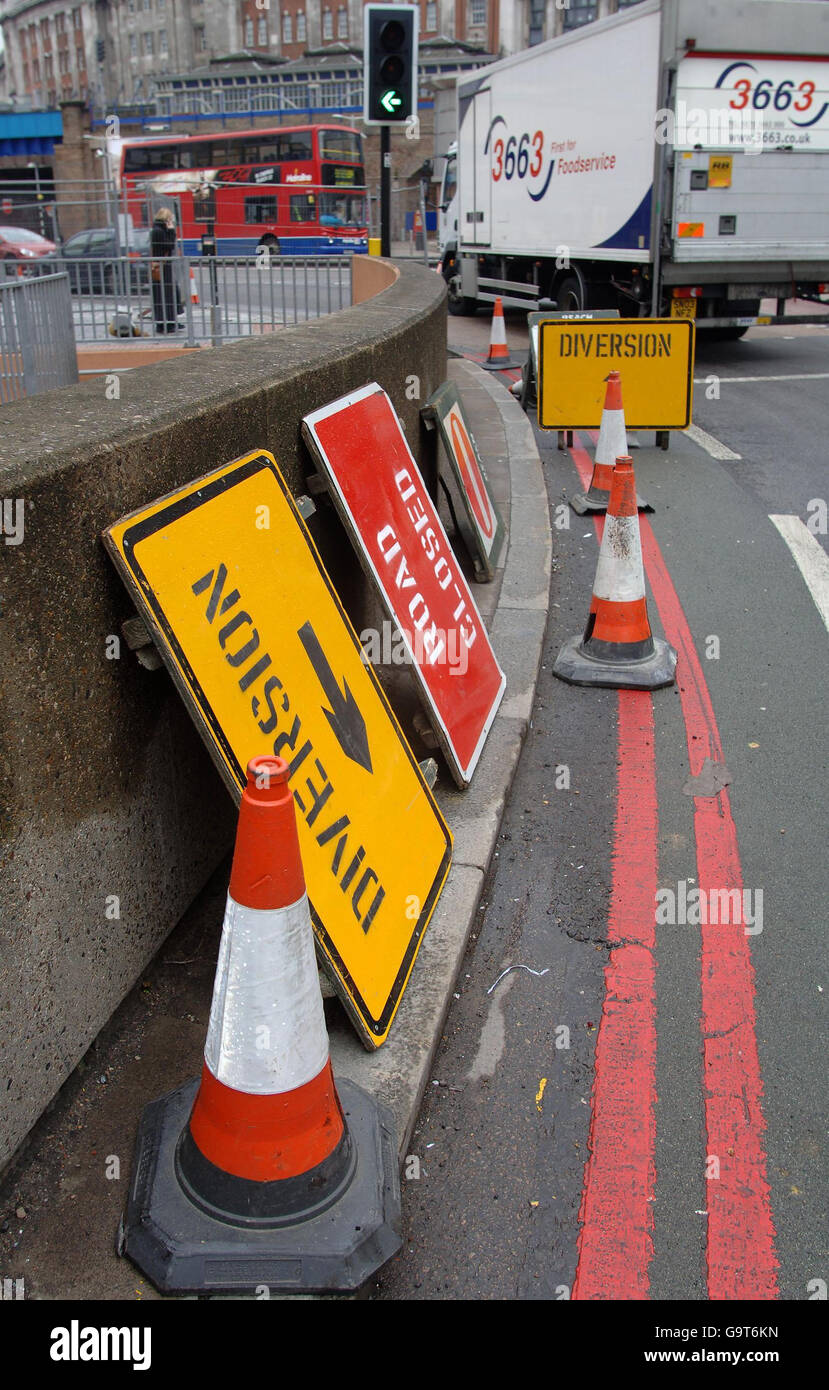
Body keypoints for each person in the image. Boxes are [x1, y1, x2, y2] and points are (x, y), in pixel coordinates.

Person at [150, 207, 178, 334]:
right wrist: (172, 231)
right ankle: (168, 323)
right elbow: (170, 245)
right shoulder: (160, 231)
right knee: (166, 294)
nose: (171, 222)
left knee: (161, 294)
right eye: (170, 219)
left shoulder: (156, 230)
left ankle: (163, 322)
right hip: (163, 266)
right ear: (166, 219)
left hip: (159, 265)